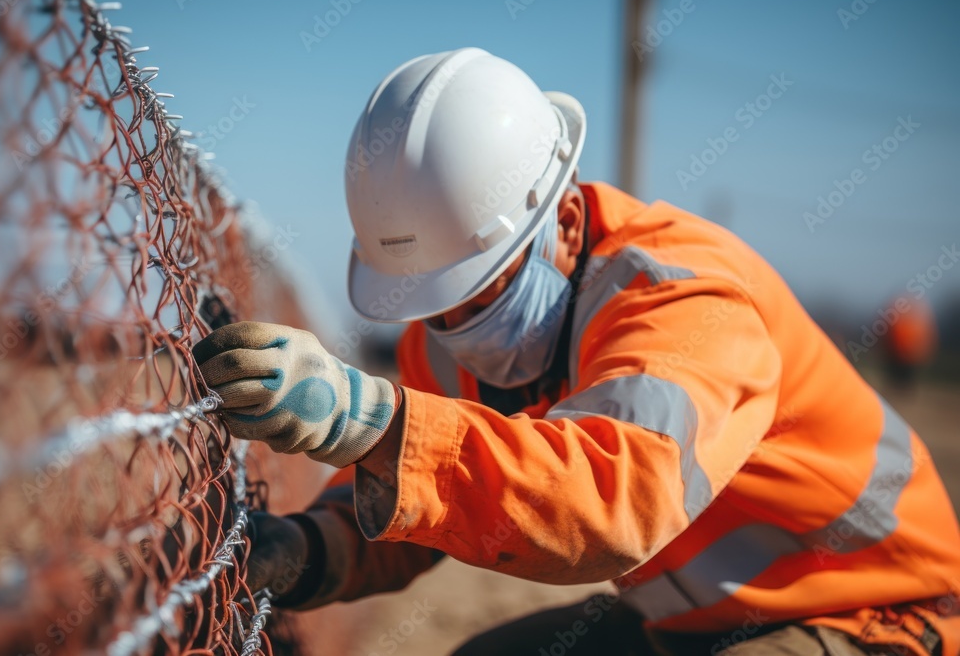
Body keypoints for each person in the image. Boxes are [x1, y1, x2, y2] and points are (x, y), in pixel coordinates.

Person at [193, 48, 960, 655]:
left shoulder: (682, 297)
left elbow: (618, 499)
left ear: (560, 221)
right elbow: (429, 495)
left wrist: (374, 419)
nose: (455, 327)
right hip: (694, 623)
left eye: (479, 291)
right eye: (431, 305)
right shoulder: (455, 340)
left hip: (876, 609)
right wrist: (307, 548)